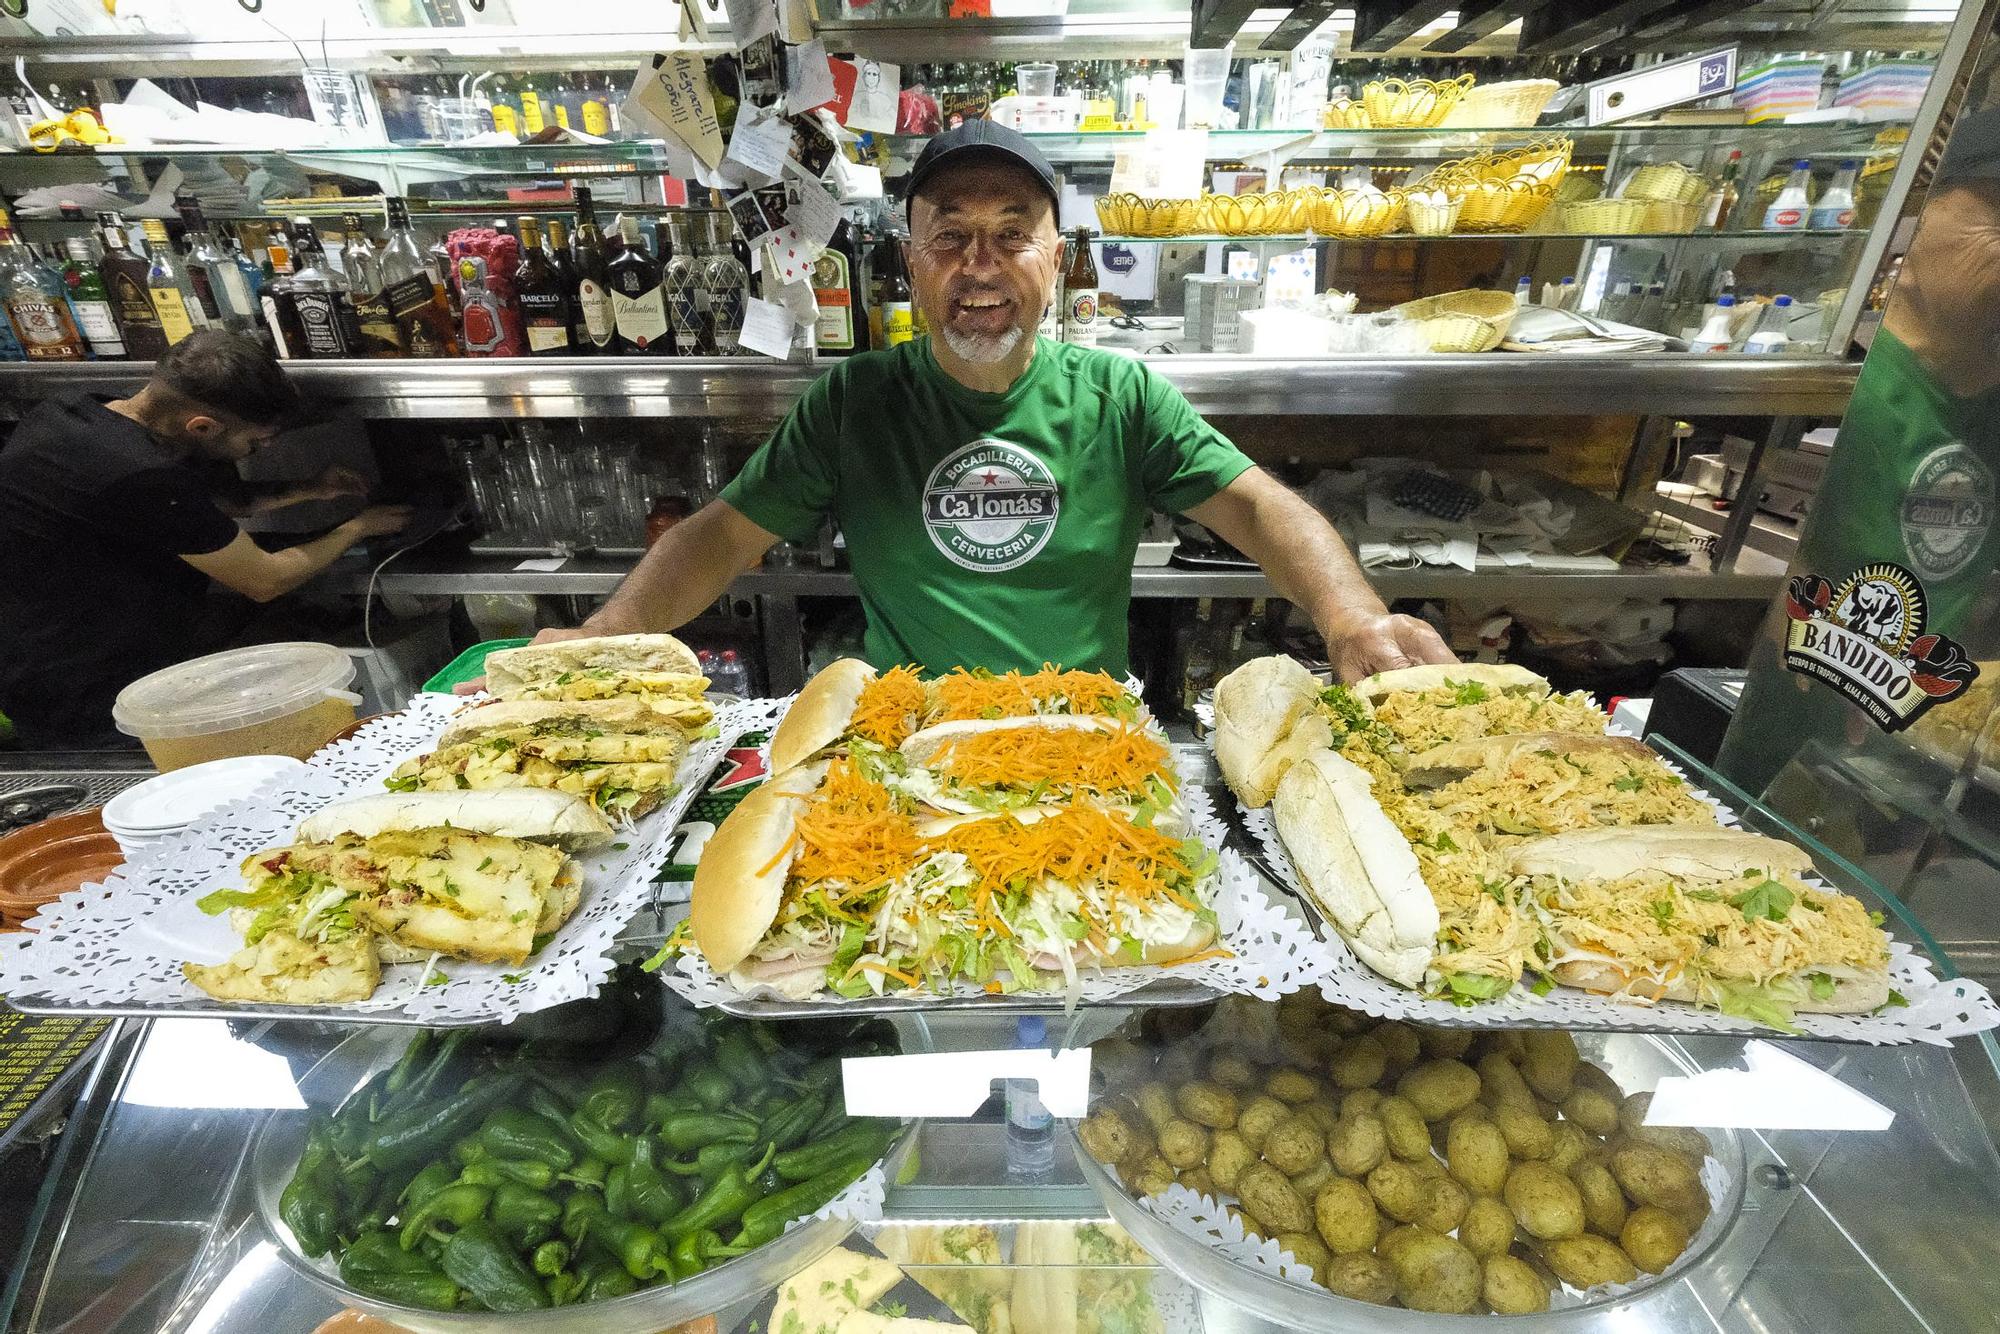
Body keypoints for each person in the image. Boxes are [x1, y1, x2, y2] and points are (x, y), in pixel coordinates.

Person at [508, 122, 1454, 684]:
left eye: (1013, 234)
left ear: (1058, 258)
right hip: (909, 730)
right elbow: (718, 536)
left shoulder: (1121, 395)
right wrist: (606, 635)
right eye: (949, 235)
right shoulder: (855, 403)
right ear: (911, 260)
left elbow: (1259, 506)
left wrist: (1352, 619)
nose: (980, 265)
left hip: (1084, 726)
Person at [0, 329, 411, 748]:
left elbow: (193, 505)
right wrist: (358, 526)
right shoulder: (143, 474)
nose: (258, 451)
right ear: (202, 426)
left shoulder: (75, 414)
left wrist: (310, 488)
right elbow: (265, 580)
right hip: (86, 685)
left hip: (33, 657)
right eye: (254, 441)